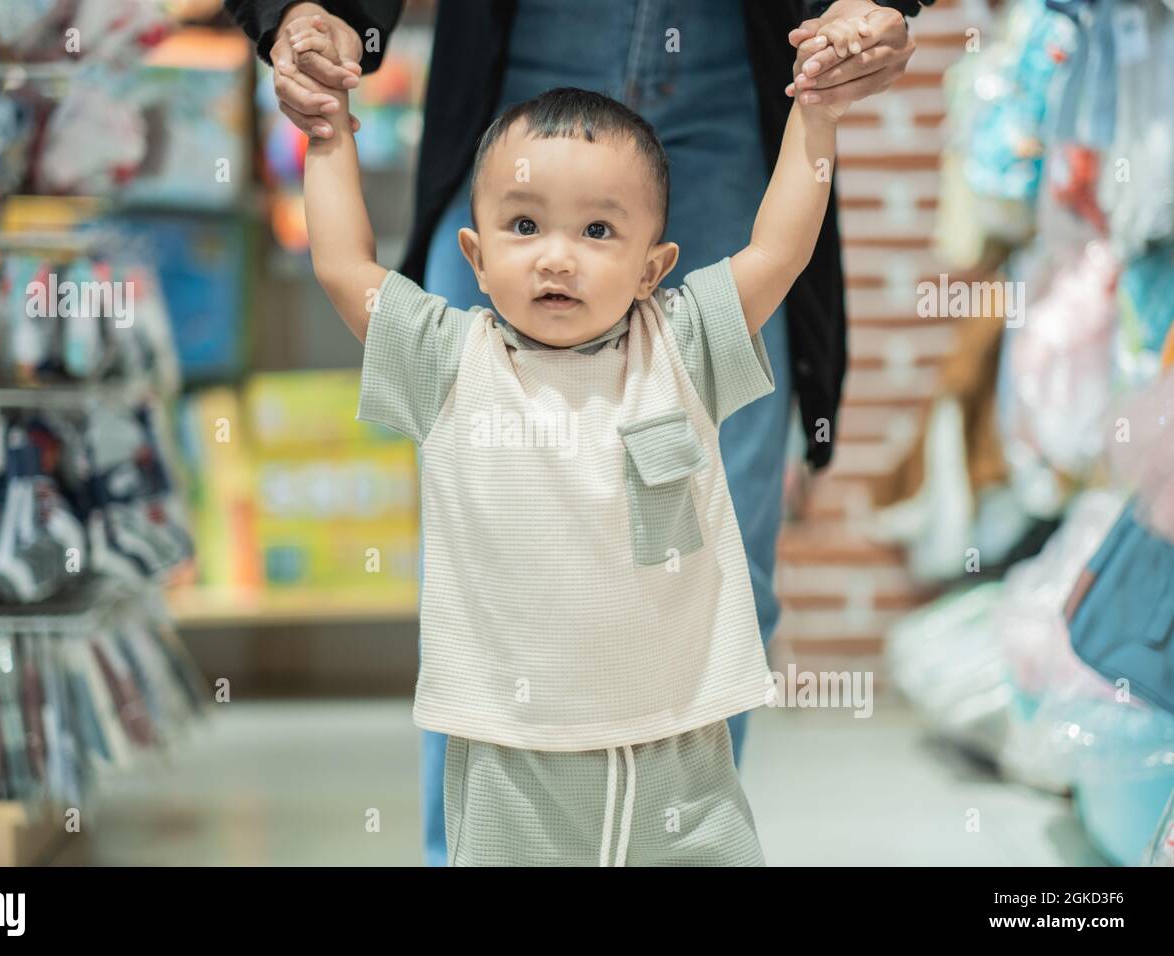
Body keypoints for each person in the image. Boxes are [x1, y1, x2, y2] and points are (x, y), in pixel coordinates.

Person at [226, 0, 932, 865]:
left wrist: (816, 115)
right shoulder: (448, 359)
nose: (557, 256)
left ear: (654, 267)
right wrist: (328, 130)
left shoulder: (682, 344)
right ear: (474, 259)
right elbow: (343, 264)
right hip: (508, 767)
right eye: (524, 227)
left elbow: (778, 250)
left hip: (680, 762)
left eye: (597, 231)